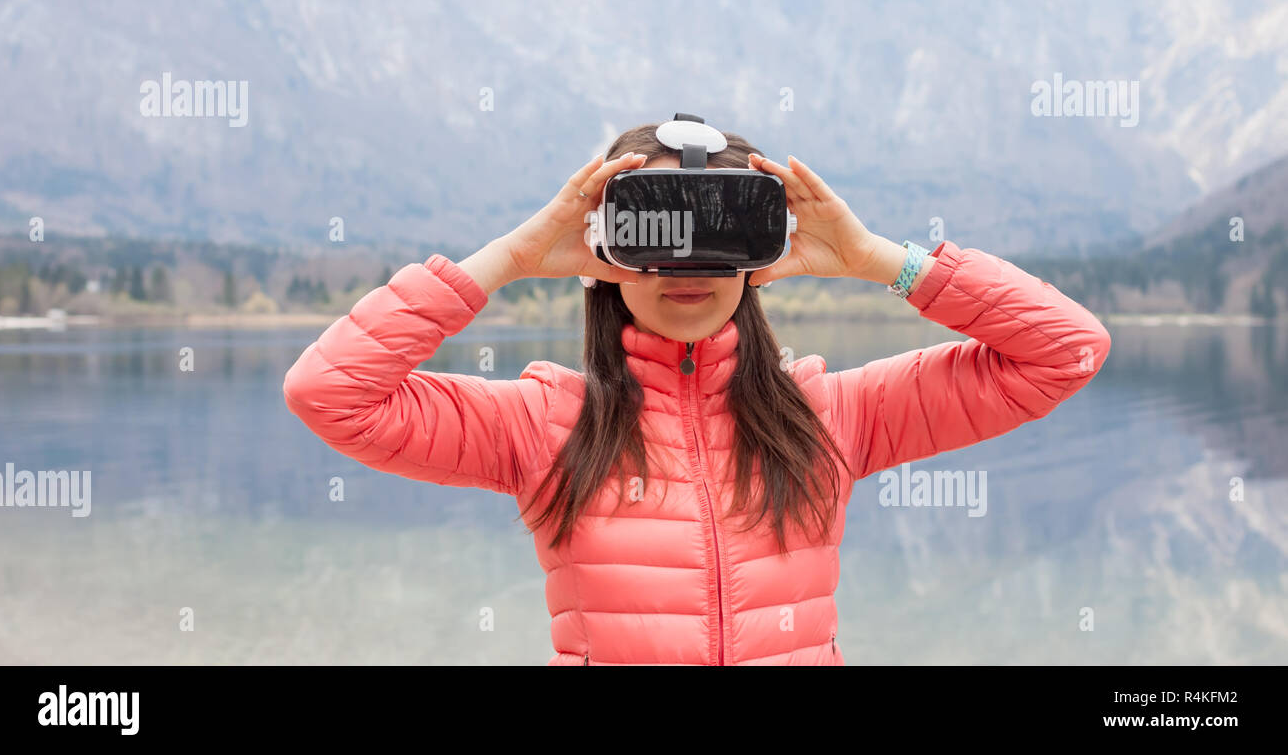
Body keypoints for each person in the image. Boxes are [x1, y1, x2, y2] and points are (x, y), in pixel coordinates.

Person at [282, 122, 1111, 665]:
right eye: (655, 236)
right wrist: (512, 255)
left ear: (758, 254)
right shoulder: (543, 426)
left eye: (721, 238)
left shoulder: (832, 417)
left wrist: (874, 258)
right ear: (604, 252)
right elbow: (330, 394)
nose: (690, 270)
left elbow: (1067, 351)